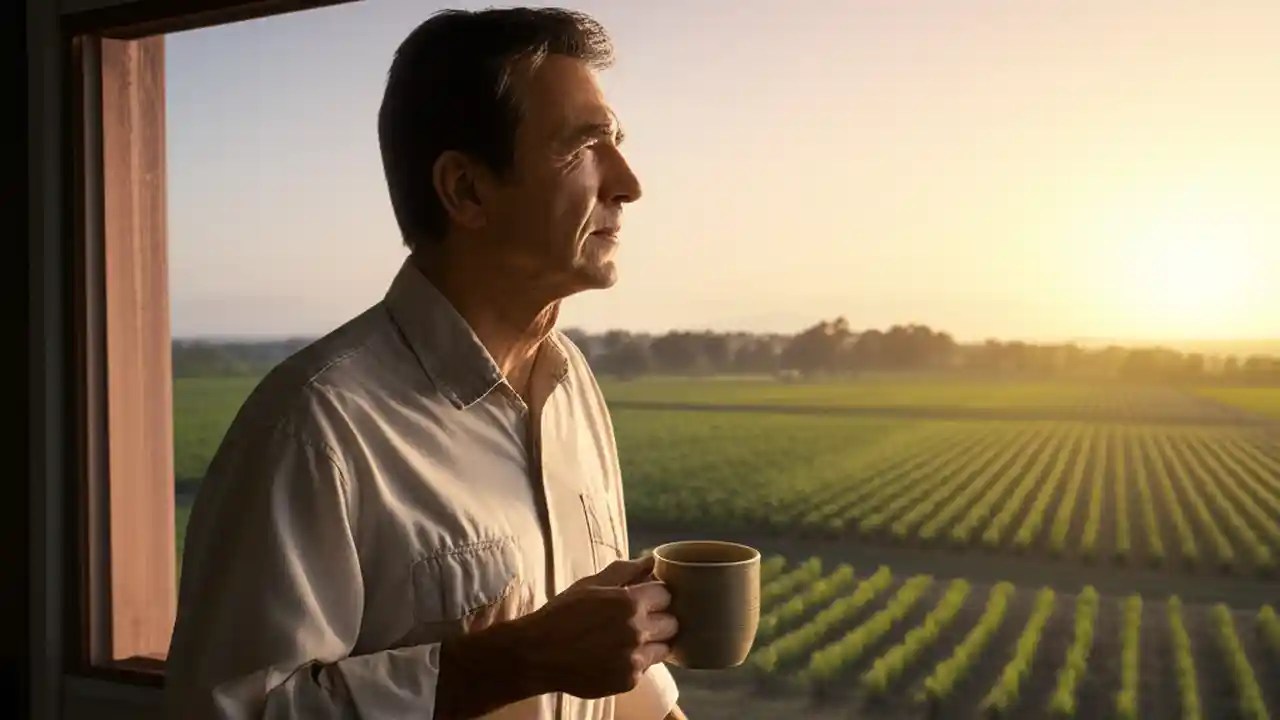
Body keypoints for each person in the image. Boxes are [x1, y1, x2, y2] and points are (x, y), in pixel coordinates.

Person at [164, 7, 686, 719]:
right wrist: (516, 660)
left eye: (616, 142)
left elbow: (604, 662)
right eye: (583, 146)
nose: (628, 183)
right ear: (466, 190)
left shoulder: (570, 388)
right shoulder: (316, 429)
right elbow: (232, 711)